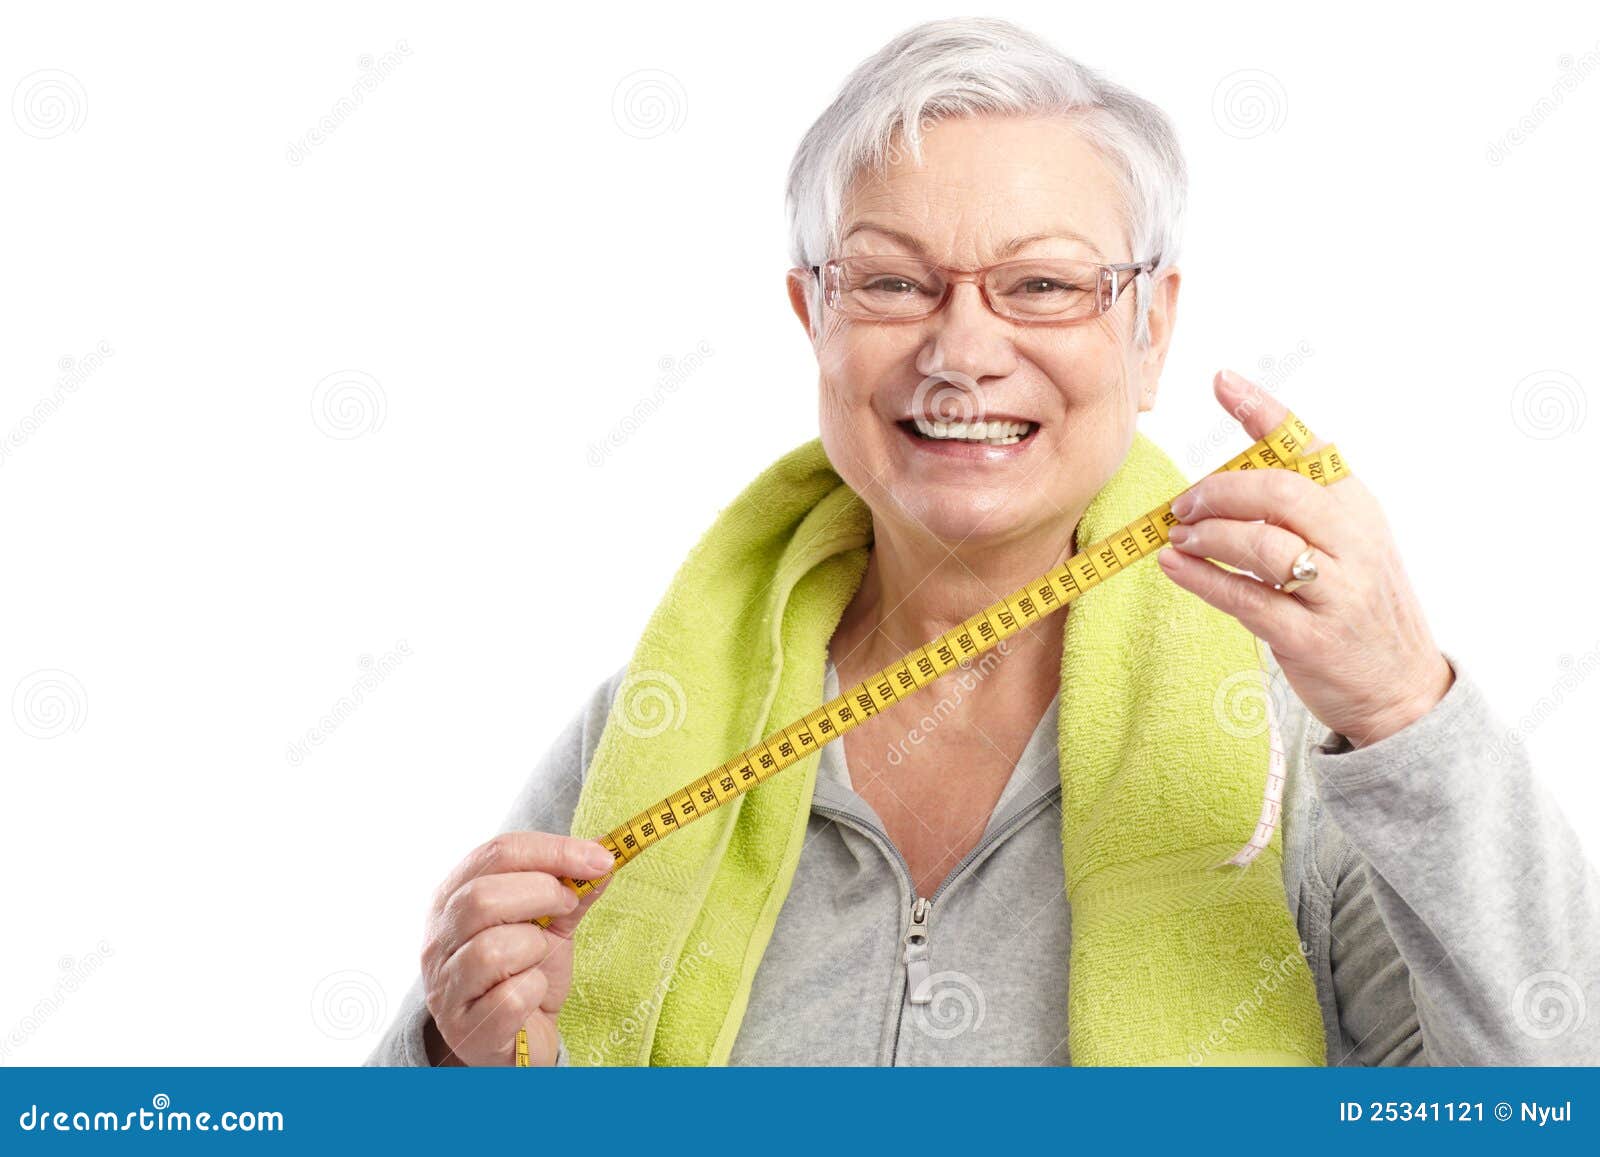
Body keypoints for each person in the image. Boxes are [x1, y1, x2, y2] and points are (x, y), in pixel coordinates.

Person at [368, 16, 1600, 1067]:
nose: (961, 350)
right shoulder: (649, 732)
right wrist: (453, 1059)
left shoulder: (1303, 744)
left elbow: (1550, 1094)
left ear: (1150, 326)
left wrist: (1404, 712)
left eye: (1044, 285)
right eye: (893, 282)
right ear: (813, 319)